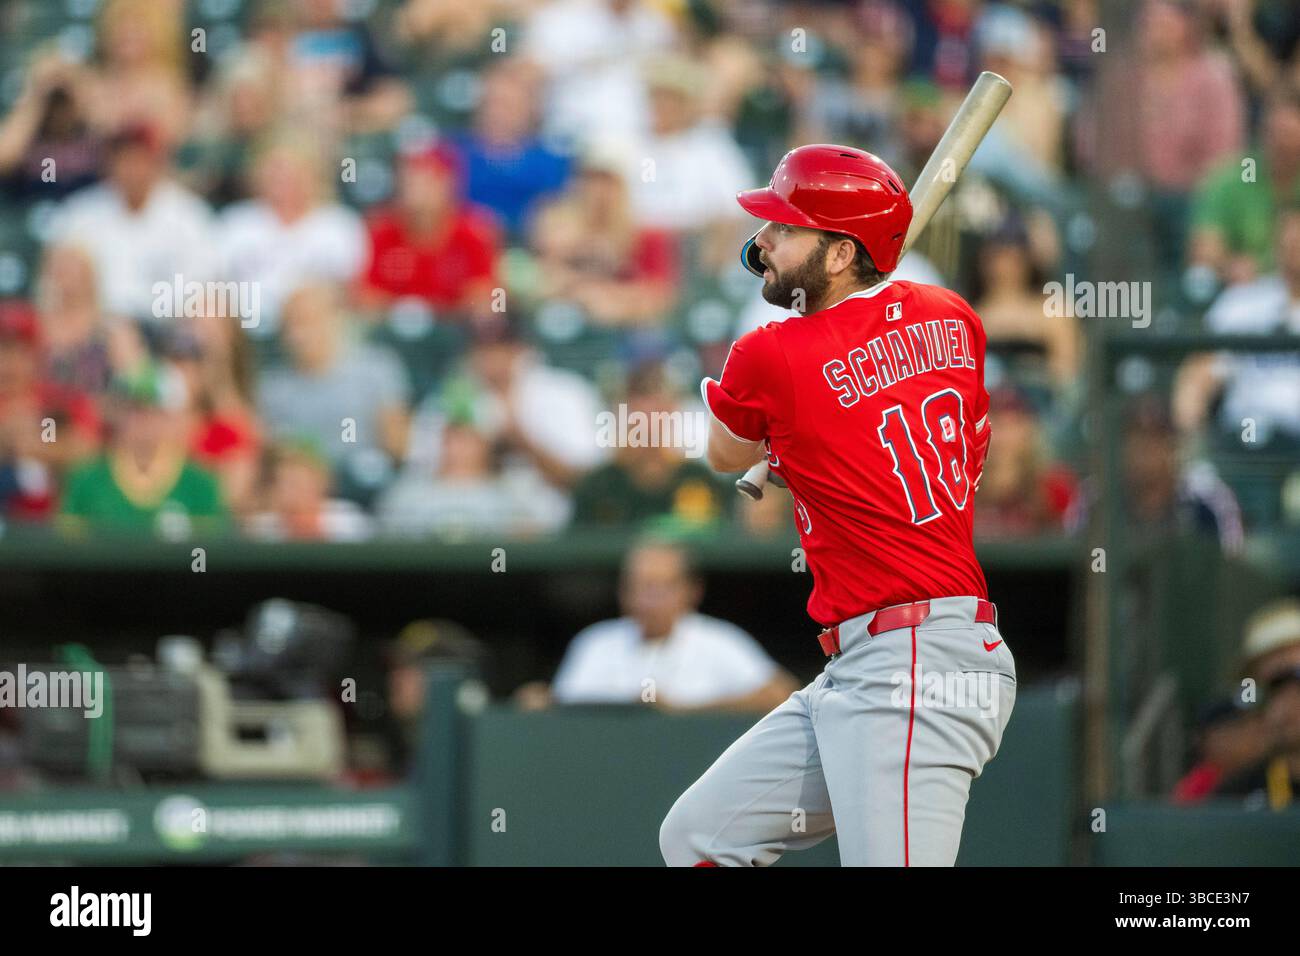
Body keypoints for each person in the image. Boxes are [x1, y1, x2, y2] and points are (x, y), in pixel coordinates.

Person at [659, 144, 1016, 867]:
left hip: (917, 663)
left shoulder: (773, 353)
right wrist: (806, 451)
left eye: (785, 230)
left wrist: (786, 448)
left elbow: (725, 455)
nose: (761, 245)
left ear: (839, 254)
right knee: (699, 837)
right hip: (866, 665)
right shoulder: (954, 316)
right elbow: (945, 455)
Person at [517, 539, 797, 713]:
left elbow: (780, 693)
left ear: (691, 591)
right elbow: (560, 709)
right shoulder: (595, 642)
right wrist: (540, 702)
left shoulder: (719, 640)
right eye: (637, 587)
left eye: (660, 588)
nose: (646, 599)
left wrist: (682, 711)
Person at [59, 363, 227, 537]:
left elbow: (213, 553)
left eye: (156, 410)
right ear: (118, 415)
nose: (146, 420)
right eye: (136, 409)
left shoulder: (200, 485)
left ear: (174, 417)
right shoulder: (87, 481)